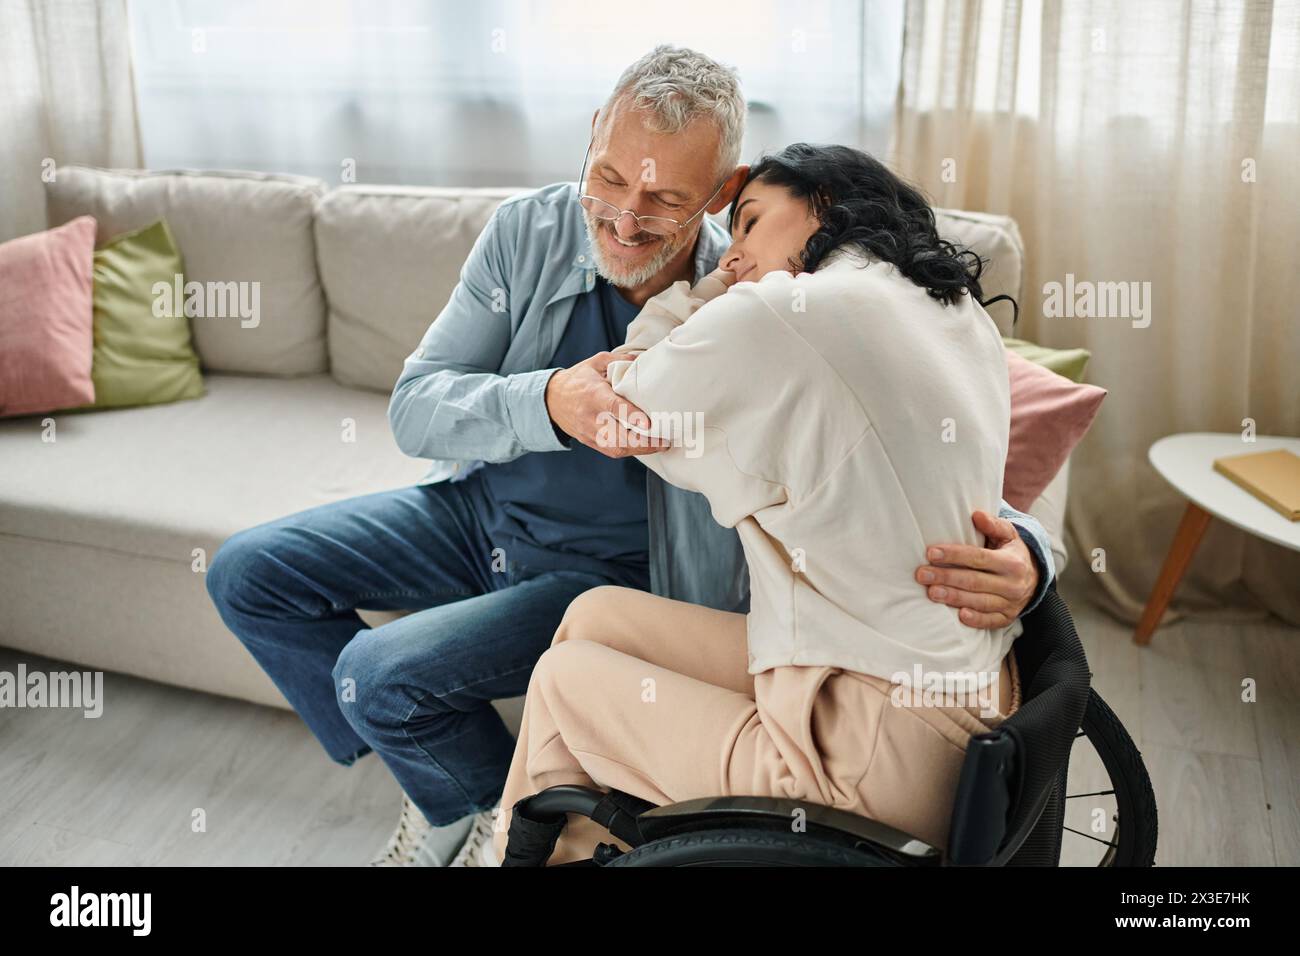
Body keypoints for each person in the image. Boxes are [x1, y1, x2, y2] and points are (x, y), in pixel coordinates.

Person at [206, 47, 1054, 868]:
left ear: (720, 195)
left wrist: (1027, 549)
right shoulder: (527, 234)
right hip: (479, 514)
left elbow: (917, 440)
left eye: (661, 197)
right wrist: (544, 402)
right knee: (246, 574)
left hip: (612, 569)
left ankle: (476, 809)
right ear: (590, 138)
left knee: (375, 677)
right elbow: (416, 408)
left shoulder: (772, 289)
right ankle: (455, 791)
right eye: (609, 176)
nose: (622, 215)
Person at [495, 143, 1028, 865]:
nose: (733, 254)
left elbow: (620, 406)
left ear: (827, 205)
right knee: (596, 616)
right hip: (952, 704)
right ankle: (575, 845)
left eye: (747, 223)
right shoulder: (950, 308)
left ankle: (523, 850)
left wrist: (703, 290)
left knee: (563, 684)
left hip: (868, 761)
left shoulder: (781, 313)